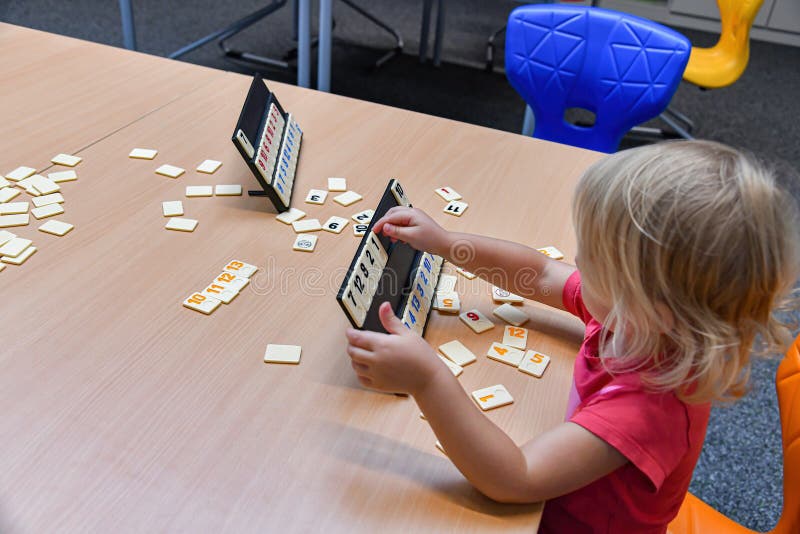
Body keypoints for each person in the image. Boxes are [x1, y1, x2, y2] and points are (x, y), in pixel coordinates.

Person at [344, 141, 800, 533]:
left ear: (647, 306)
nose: (577, 259)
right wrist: (447, 243)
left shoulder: (646, 408)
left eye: (594, 261)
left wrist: (428, 379)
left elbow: (513, 479)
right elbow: (539, 272)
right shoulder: (642, 323)